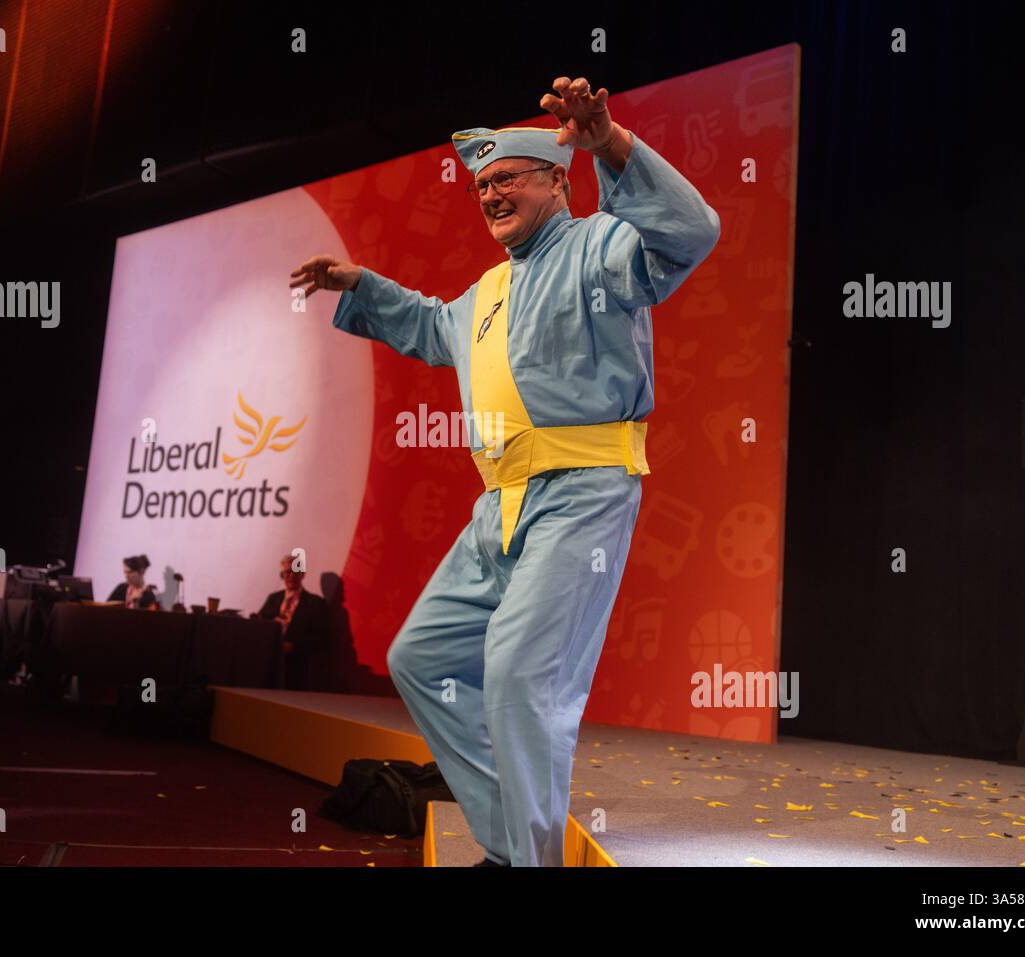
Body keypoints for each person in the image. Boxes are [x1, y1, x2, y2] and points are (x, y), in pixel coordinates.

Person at [289, 77, 720, 866]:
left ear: (557, 178)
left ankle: (526, 859)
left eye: (508, 177)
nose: (490, 193)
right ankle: (510, 838)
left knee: (522, 674)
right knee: (419, 657)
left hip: (582, 498)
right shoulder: (486, 293)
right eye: (481, 185)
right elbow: (428, 324)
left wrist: (612, 146)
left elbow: (692, 231)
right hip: (501, 512)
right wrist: (361, 286)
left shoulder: (599, 245)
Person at [254, 554, 329, 691]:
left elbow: (322, 638)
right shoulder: (273, 599)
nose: (291, 576)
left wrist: (294, 646)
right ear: (282, 575)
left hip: (297, 668)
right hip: (268, 664)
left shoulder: (315, 603)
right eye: (288, 572)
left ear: (303, 574)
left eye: (296, 572)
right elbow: (260, 625)